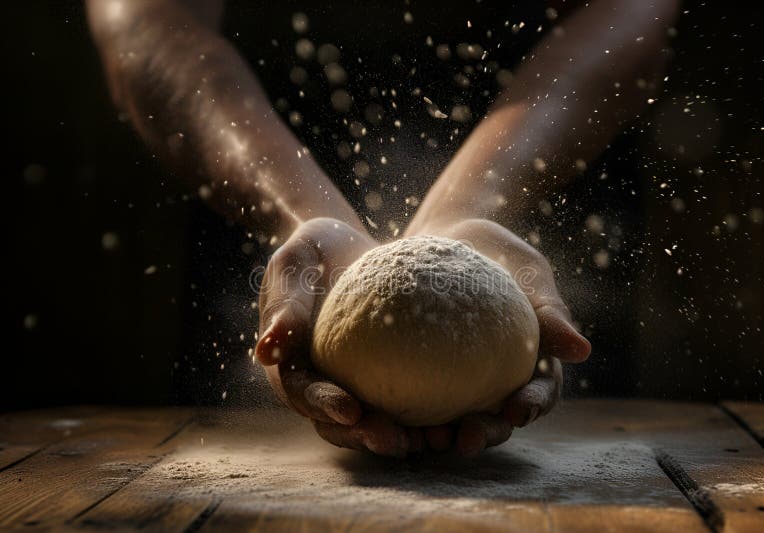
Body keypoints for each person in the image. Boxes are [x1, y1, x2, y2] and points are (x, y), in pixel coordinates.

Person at [87, 0, 679, 457]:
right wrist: (304, 217)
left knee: (576, 463)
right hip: (253, 147)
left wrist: (463, 216)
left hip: (543, 139)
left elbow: (630, 11)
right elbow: (145, 20)